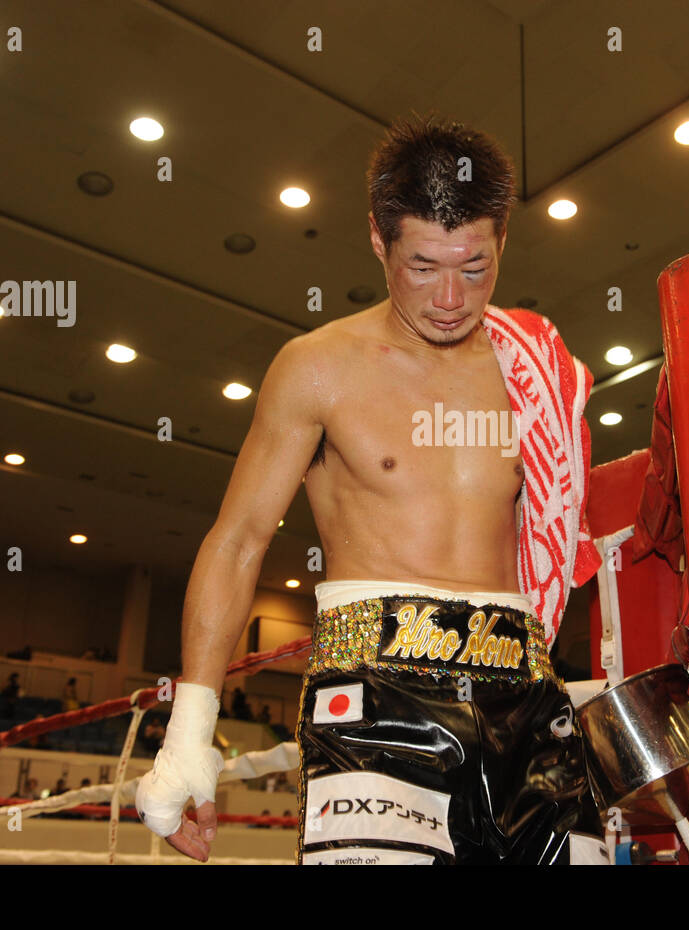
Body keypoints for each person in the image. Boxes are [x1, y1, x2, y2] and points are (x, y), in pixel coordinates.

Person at [135, 114, 605, 865]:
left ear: (502, 243)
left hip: (525, 691)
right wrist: (190, 730)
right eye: (422, 265)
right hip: (380, 686)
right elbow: (238, 538)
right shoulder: (319, 366)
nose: (450, 296)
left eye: (474, 267)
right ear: (379, 241)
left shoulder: (533, 368)